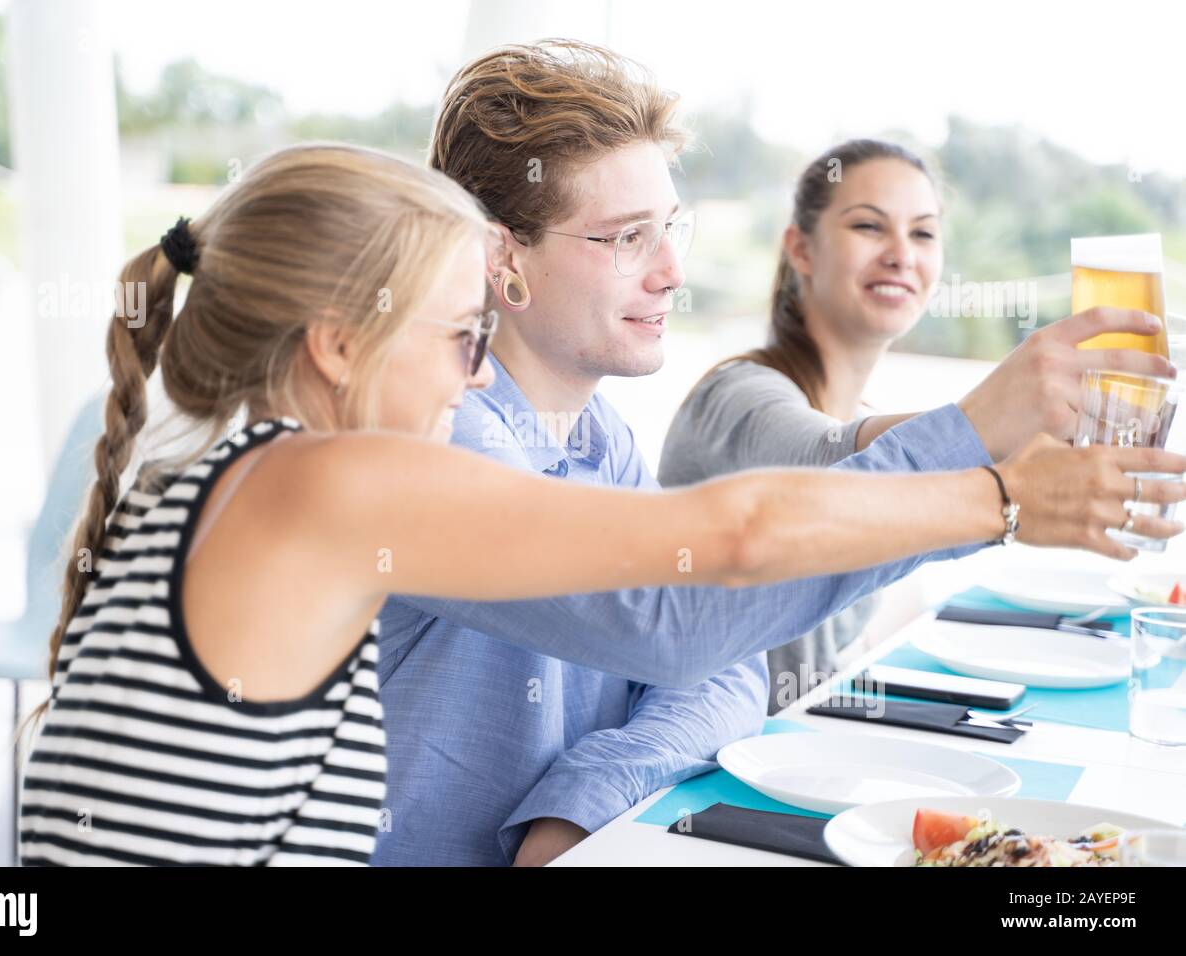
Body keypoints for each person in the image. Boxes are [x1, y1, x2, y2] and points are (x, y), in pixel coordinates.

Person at [371, 41, 1181, 868]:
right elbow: (673, 628)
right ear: (503, 257)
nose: (671, 272)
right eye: (625, 239)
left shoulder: (596, 434)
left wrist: (581, 804)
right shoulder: (439, 436)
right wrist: (985, 472)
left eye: (670, 229)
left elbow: (722, 668)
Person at [660, 137, 1177, 714]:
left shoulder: (857, 411)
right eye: (868, 227)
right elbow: (834, 472)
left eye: (923, 233)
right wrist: (992, 423)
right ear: (801, 249)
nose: (901, 254)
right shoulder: (734, 396)